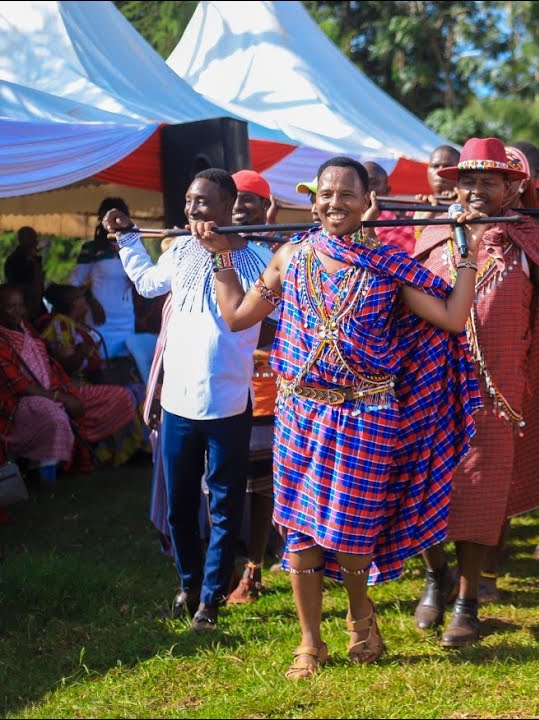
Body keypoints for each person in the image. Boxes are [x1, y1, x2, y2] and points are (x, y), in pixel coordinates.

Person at [202, 156, 479, 678]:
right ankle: (309, 643)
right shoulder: (290, 256)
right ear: (312, 200)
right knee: (300, 532)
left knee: (353, 534)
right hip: (300, 413)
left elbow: (451, 317)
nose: (335, 204)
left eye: (347, 194)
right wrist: (220, 258)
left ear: (366, 202)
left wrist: (468, 254)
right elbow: (238, 316)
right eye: (325, 194)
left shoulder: (388, 266)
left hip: (368, 412)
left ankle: (360, 615)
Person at [414, 138, 539, 647]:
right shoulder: (432, 235)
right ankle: (435, 575)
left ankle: (468, 602)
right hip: (434, 389)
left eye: (487, 181)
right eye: (467, 180)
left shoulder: (531, 237)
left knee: (481, 496)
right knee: (427, 489)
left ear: (512, 186)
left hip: (500, 393)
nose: (475, 190)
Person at [104, 169, 275, 635]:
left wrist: (225, 254)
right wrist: (126, 240)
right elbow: (147, 284)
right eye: (188, 202)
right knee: (180, 505)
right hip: (178, 401)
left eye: (202, 203)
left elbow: (265, 316)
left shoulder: (259, 257)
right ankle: (190, 584)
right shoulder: (179, 250)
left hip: (229, 403)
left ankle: (211, 600)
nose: (191, 210)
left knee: (223, 506)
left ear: (228, 207)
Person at [0, 284, 143, 482]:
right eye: (10, 306)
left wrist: (64, 393)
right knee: (55, 415)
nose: (18, 311)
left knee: (122, 396)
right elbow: (22, 385)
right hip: (23, 400)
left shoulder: (28, 329)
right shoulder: (58, 325)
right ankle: (46, 473)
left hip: (58, 388)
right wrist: (62, 395)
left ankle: (104, 454)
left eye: (20, 305)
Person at [224, 169, 285, 605]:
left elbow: (275, 325)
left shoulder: (272, 257)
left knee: (260, 482)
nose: (240, 207)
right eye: (234, 198)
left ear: (266, 208)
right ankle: (220, 566)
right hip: (215, 381)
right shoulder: (198, 251)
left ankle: (254, 568)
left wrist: (243, 328)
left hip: (262, 381)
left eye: (250, 199)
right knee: (220, 479)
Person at [70, 199, 143, 367]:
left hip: (125, 318)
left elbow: (141, 280)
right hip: (99, 318)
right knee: (100, 365)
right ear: (102, 219)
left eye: (119, 217)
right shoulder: (91, 248)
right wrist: (92, 302)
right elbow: (75, 283)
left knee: (124, 365)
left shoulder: (133, 247)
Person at [4, 226, 45, 322]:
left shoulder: (34, 259)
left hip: (36, 305)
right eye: (32, 238)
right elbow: (17, 285)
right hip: (26, 306)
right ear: (23, 240)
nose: (36, 241)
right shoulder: (15, 260)